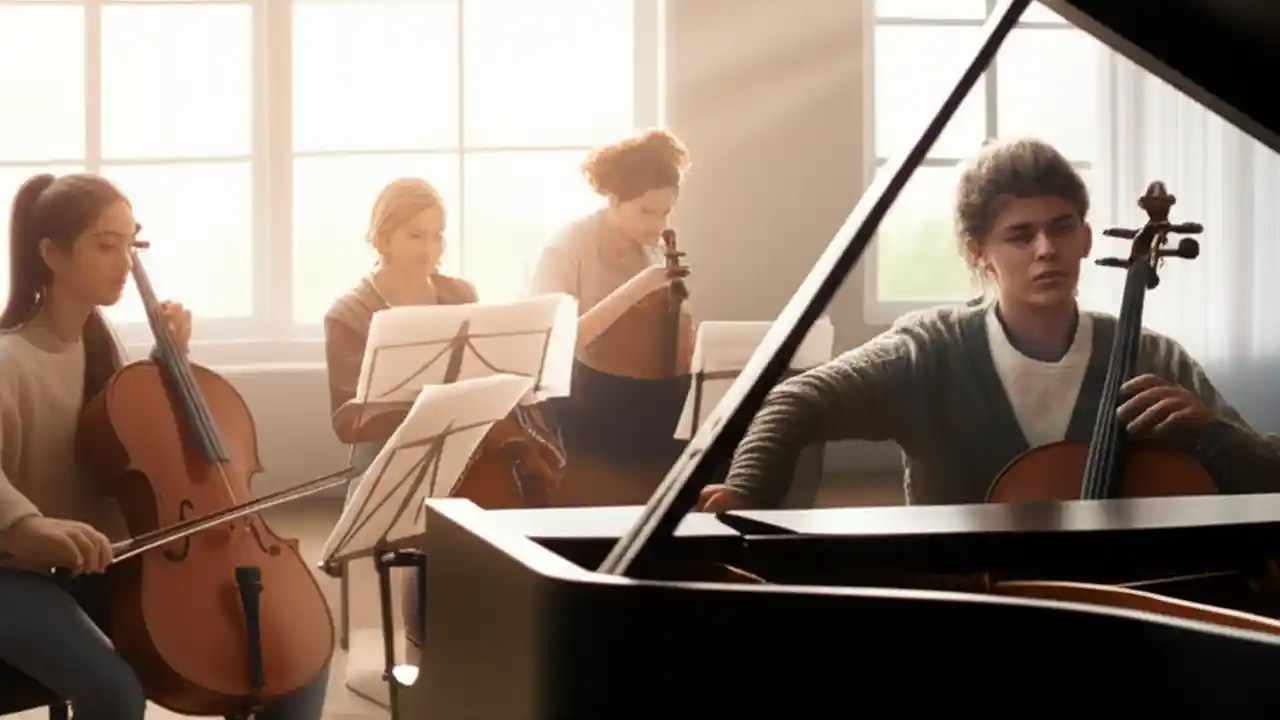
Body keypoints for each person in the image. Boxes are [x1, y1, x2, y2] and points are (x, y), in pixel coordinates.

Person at [699, 137, 1280, 512]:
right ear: (980, 252)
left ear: (1085, 236)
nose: (1046, 249)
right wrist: (748, 491)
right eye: (1020, 235)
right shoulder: (931, 352)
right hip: (965, 612)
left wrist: (1209, 434)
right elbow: (796, 400)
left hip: (1129, 612)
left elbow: (1267, 476)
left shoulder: (1154, 357)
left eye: (1062, 227)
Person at [0, 173, 329, 717]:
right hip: (16, 573)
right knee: (113, 688)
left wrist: (170, 366)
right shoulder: (9, 359)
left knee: (293, 654)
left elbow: (142, 448)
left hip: (105, 566)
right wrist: (25, 524)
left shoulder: (110, 352)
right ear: (51, 253)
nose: (126, 263)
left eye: (132, 244)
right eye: (107, 246)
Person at [322, 176, 476, 661]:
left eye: (438, 234)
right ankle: (411, 649)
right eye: (416, 235)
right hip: (389, 448)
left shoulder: (460, 293)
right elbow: (349, 418)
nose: (431, 248)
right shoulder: (350, 312)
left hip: (459, 437)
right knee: (420, 526)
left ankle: (462, 643)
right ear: (381, 239)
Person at [527, 128, 696, 505]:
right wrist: (639, 287)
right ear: (614, 201)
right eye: (646, 211)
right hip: (586, 400)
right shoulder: (568, 244)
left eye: (665, 211)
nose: (657, 223)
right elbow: (554, 344)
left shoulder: (651, 250)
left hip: (649, 398)